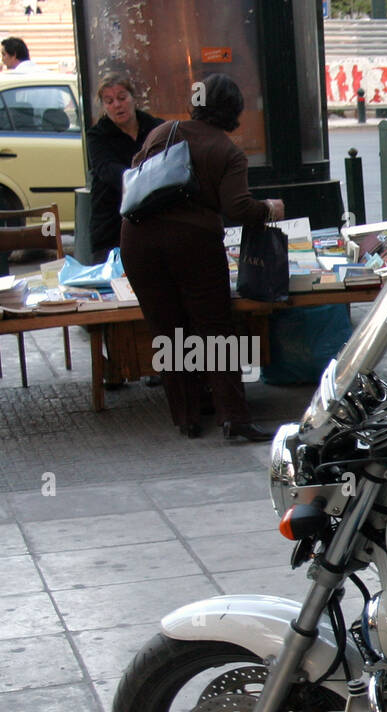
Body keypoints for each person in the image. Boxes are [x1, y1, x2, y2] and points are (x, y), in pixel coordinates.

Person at [119, 73, 283, 440]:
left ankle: (187, 418)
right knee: (214, 330)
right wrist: (270, 208)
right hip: (192, 242)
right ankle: (234, 419)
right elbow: (238, 208)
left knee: (168, 329)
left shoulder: (164, 132)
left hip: (138, 238)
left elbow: (136, 172)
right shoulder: (228, 152)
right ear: (233, 111)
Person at [86, 75, 165, 389]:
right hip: (111, 224)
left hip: (151, 220)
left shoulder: (156, 128)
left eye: (121, 97)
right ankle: (115, 366)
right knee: (111, 297)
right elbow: (105, 171)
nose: (116, 105)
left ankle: (158, 363)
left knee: (153, 295)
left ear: (134, 98)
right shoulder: (98, 135)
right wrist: (143, 176)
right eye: (109, 101)